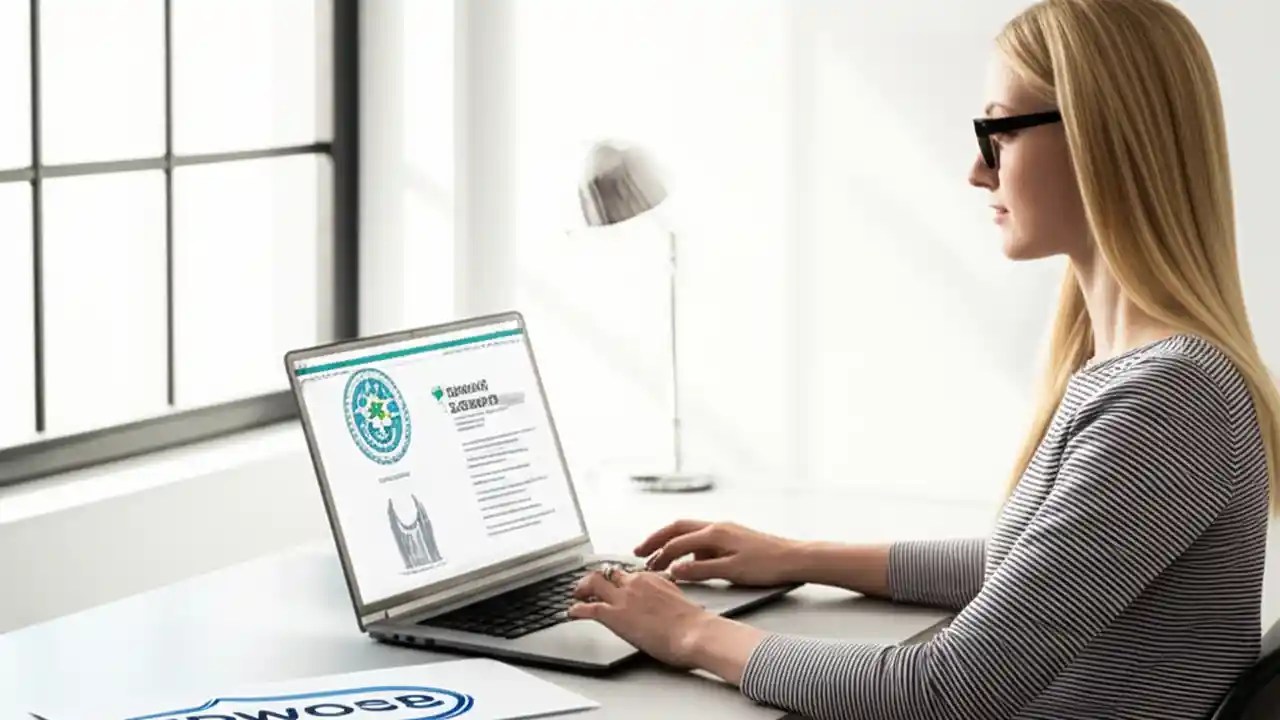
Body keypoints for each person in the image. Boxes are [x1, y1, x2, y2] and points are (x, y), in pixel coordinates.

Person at [565, 0, 1280, 717]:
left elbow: (944, 689)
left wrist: (687, 631)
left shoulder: (1168, 399)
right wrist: (799, 557)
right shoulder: (1139, 369)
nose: (977, 170)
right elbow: (1030, 566)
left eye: (1000, 132)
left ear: (1104, 138)